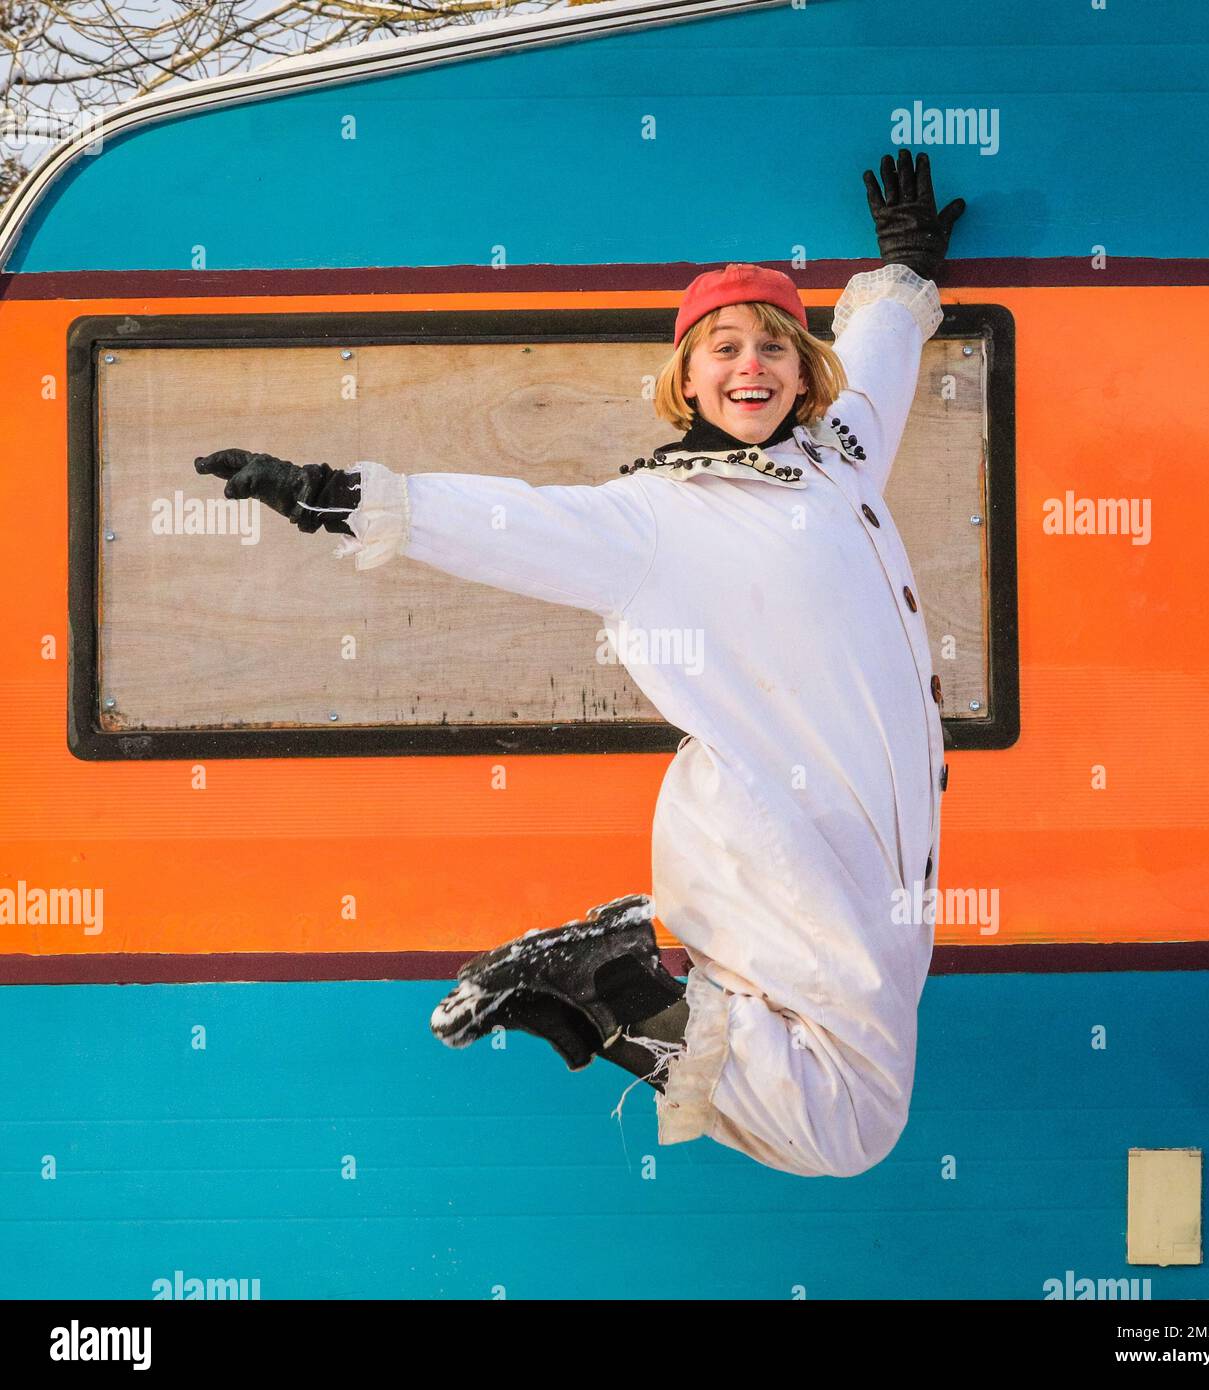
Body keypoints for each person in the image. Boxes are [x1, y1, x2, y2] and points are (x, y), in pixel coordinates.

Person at [194, 149, 965, 1179]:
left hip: (878, 844)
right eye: (724, 347)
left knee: (839, 1102)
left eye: (774, 346)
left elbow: (877, 357)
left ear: (801, 368)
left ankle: (605, 988)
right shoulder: (656, 517)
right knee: (846, 1123)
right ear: (684, 377)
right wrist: (337, 494)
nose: (752, 366)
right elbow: (507, 523)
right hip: (781, 829)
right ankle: (603, 984)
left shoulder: (839, 455)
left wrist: (903, 276)